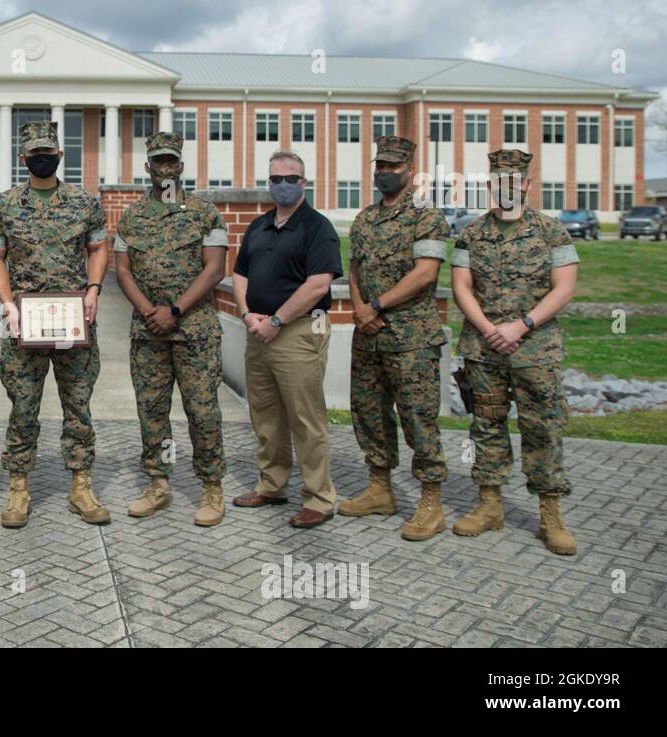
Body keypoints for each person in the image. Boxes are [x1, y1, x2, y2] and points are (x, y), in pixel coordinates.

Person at [449, 149, 579, 555]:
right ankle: (490, 505)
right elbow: (461, 286)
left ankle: (550, 515)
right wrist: (490, 329)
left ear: (526, 184)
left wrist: (522, 325)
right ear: (490, 186)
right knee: (486, 425)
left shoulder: (552, 232)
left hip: (535, 349)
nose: (506, 188)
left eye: (513, 181)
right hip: (484, 348)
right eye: (497, 182)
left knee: (543, 428)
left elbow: (564, 288)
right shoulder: (471, 234)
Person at [0, 120, 110, 528]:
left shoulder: (84, 202)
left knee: (78, 404)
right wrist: (7, 304)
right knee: (23, 406)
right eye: (34, 154)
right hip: (25, 322)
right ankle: (18, 487)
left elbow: (97, 248)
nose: (42, 159)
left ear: (60, 155)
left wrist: (92, 289)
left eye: (47, 153)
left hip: (74, 320)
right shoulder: (3, 206)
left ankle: (81, 485)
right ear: (23, 159)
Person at [114, 131, 231, 526]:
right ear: (147, 167)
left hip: (194, 332)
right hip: (149, 333)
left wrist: (175, 310)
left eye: (171, 161)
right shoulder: (132, 216)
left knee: (202, 411)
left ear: (181, 165)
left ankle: (211, 488)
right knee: (153, 412)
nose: (165, 168)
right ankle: (158, 484)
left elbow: (215, 269)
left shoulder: (203, 213)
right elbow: (123, 270)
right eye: (157, 161)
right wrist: (150, 311)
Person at [338, 135, 451, 542]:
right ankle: (379, 488)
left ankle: (431, 502)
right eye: (380, 166)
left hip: (411, 337)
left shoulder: (427, 216)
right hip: (368, 336)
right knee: (368, 413)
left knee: (418, 418)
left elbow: (425, 273)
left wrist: (377, 305)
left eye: (393, 167)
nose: (385, 173)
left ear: (410, 171)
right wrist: (360, 308)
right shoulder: (365, 218)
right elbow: (353, 269)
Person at [232, 151, 342, 529]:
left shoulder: (317, 227)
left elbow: (318, 285)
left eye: (290, 178)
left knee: (305, 418)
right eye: (276, 178)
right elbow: (241, 274)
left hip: (296, 333)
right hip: (258, 331)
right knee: (266, 416)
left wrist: (276, 320)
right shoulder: (259, 225)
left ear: (303, 183)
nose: (283, 185)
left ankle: (318, 498)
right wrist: (248, 315)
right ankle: (272, 484)